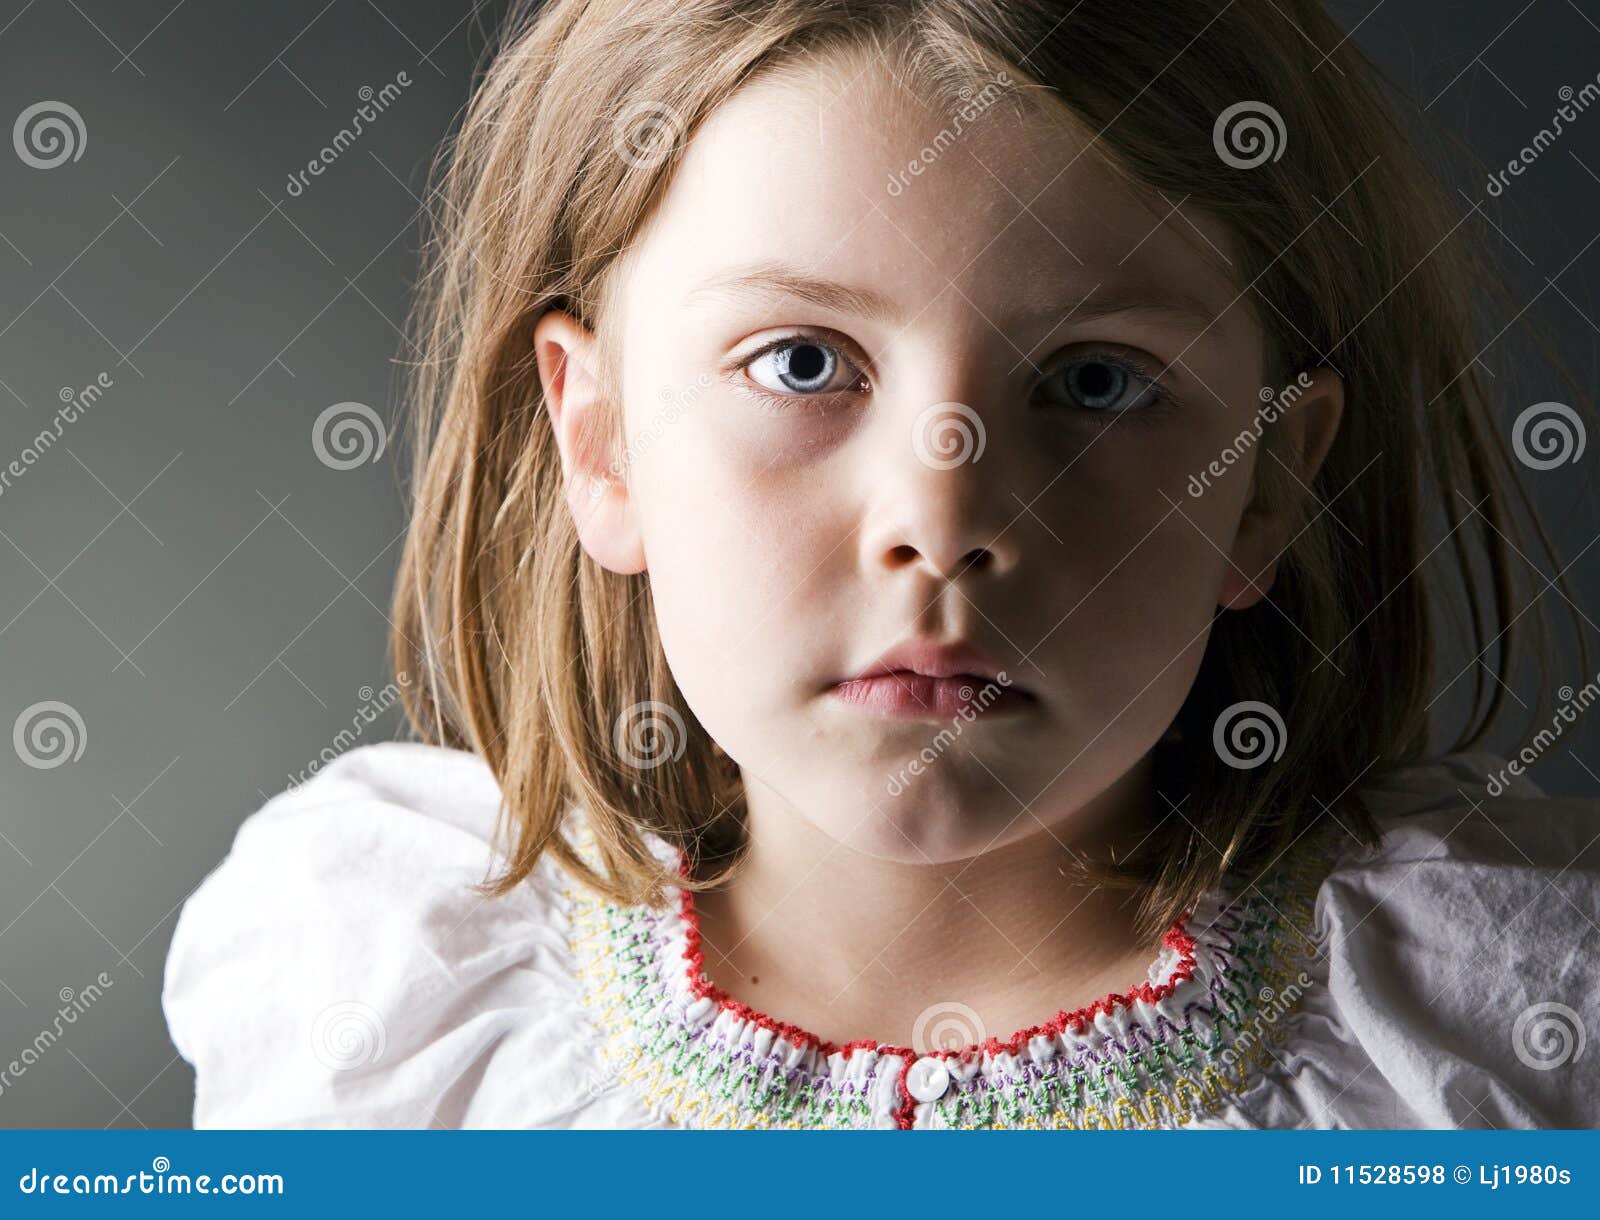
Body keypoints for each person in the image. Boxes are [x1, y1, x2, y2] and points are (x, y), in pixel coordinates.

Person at [163, 0, 1600, 1129]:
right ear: (600, 444)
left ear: (1267, 483)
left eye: (1096, 383)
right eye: (802, 363)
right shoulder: (383, 998)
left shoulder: (1505, 1036)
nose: (946, 513)